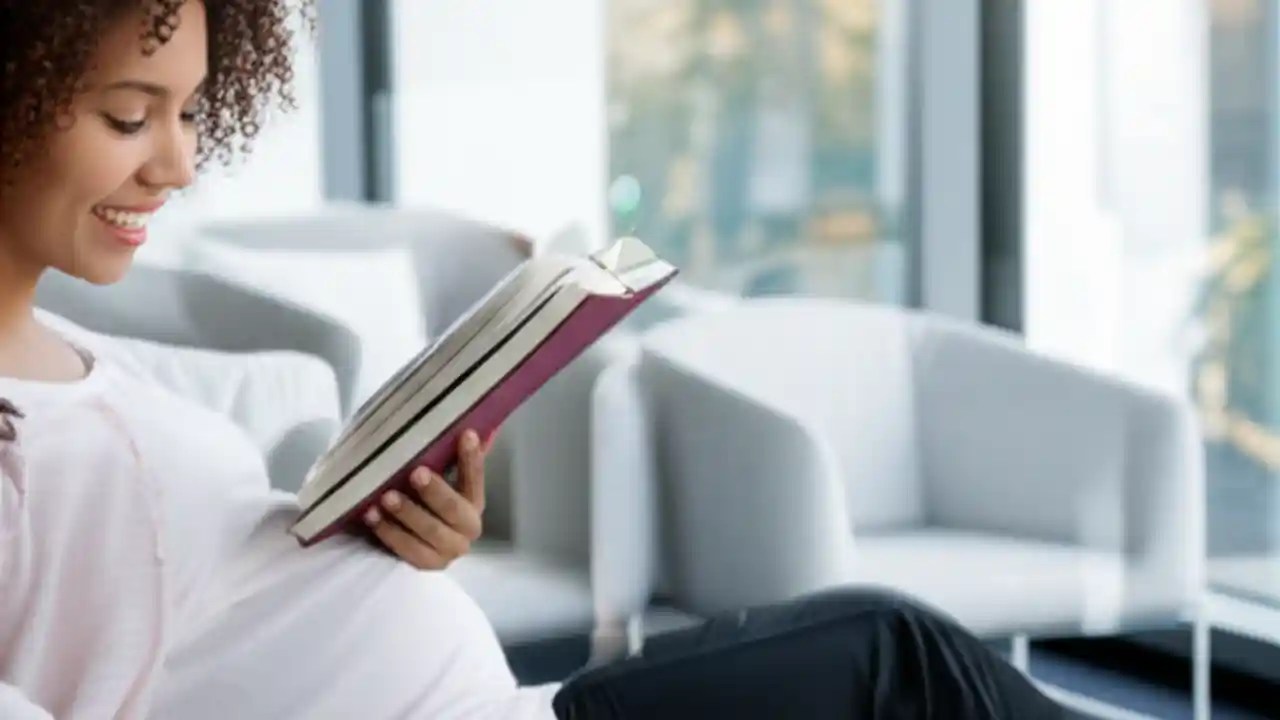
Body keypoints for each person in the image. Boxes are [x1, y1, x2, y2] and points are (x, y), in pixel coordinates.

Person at [0, 2, 1078, 718]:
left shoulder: (86, 355)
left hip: (512, 705)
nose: (179, 163)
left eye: (188, 113)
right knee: (892, 665)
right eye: (130, 116)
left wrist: (377, 536)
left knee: (891, 654)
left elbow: (185, 591)